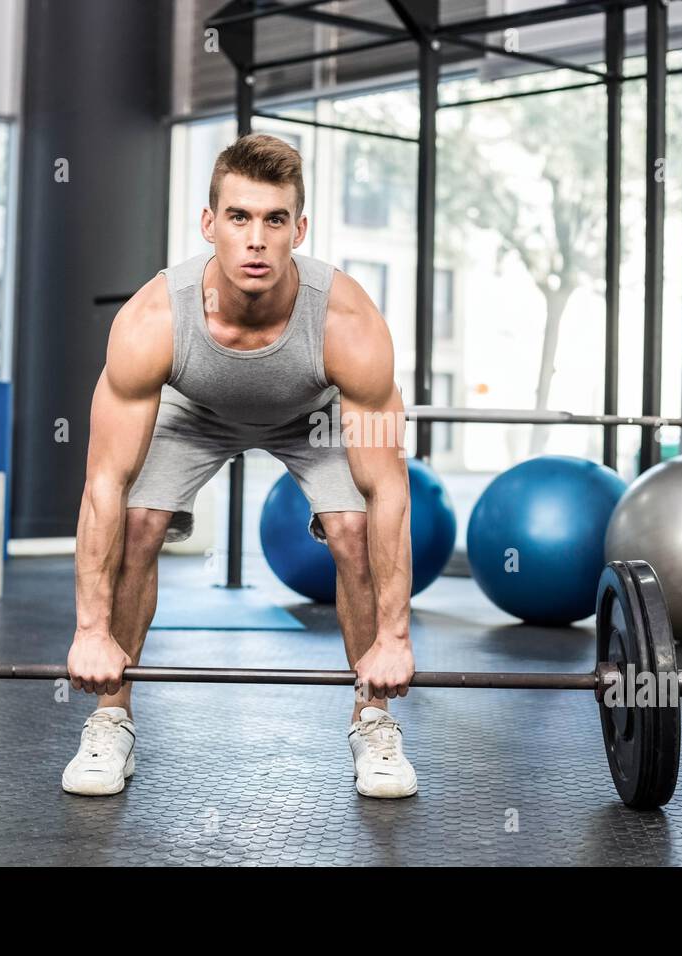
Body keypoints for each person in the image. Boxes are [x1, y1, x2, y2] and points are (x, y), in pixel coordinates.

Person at [62, 133, 418, 799]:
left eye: (274, 220)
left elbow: (390, 491)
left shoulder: (349, 323)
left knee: (352, 531)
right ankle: (111, 717)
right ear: (209, 224)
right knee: (138, 523)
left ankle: (374, 720)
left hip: (312, 411)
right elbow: (102, 486)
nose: (256, 240)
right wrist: (89, 631)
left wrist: (396, 638)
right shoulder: (152, 322)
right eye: (239, 217)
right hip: (192, 406)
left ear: (299, 229)